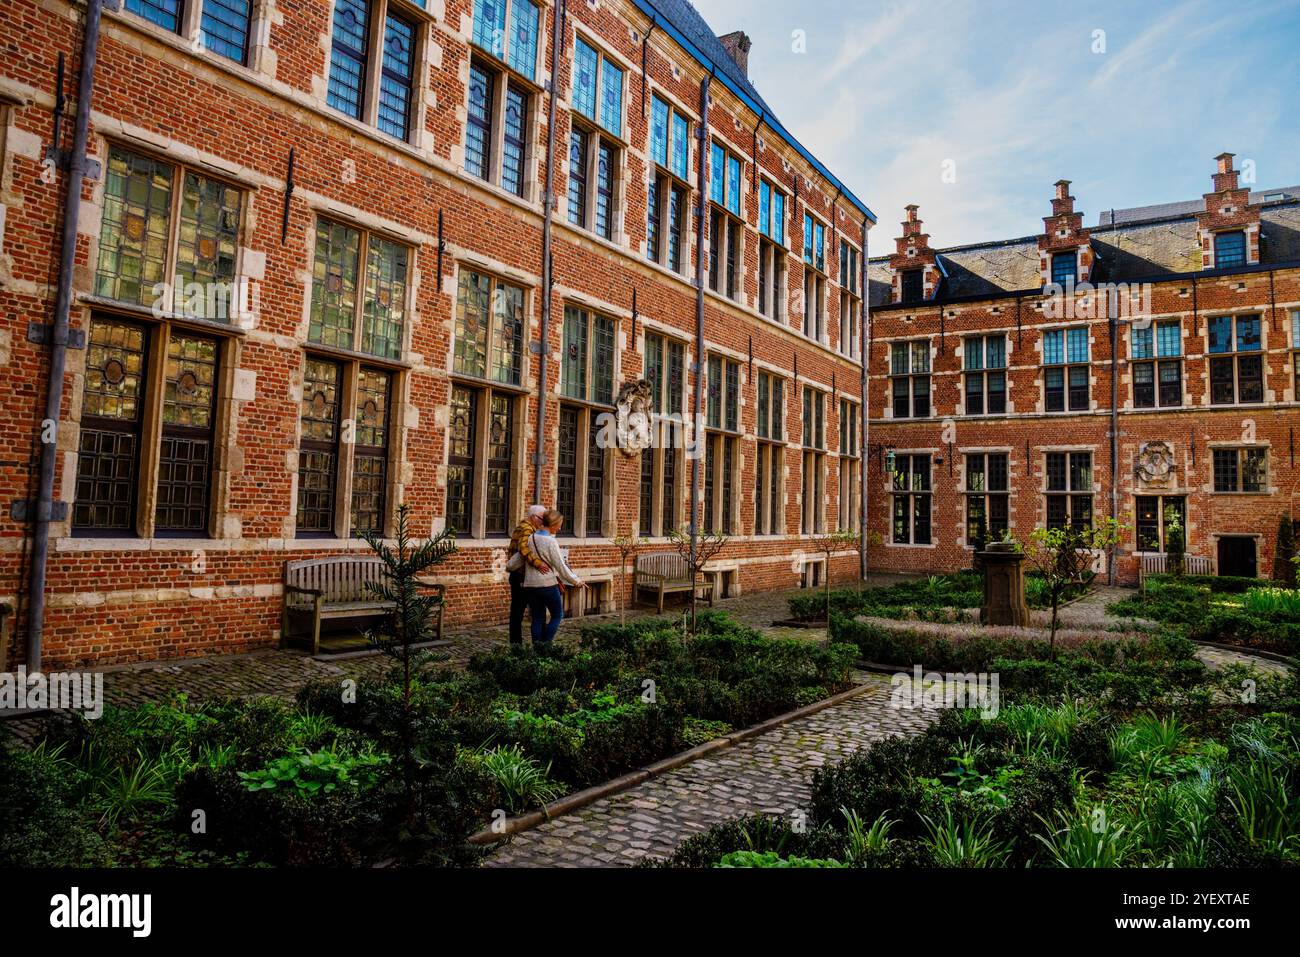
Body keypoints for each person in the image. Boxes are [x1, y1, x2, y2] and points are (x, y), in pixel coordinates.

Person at [520, 509, 585, 647]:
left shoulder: (530, 537)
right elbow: (561, 566)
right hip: (547, 584)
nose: (560, 528)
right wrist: (576, 581)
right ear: (552, 524)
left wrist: (510, 567)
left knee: (537, 617)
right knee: (557, 614)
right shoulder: (550, 542)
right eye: (559, 525)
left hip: (530, 584)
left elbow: (520, 557)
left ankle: (537, 649)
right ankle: (545, 645)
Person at [506, 505, 550, 646]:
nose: (543, 522)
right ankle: (538, 645)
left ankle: (516, 645)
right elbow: (524, 548)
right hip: (522, 577)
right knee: (536, 612)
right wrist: (538, 563)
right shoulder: (527, 528)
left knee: (517, 613)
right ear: (533, 517)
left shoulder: (523, 526)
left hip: (518, 576)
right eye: (542, 519)